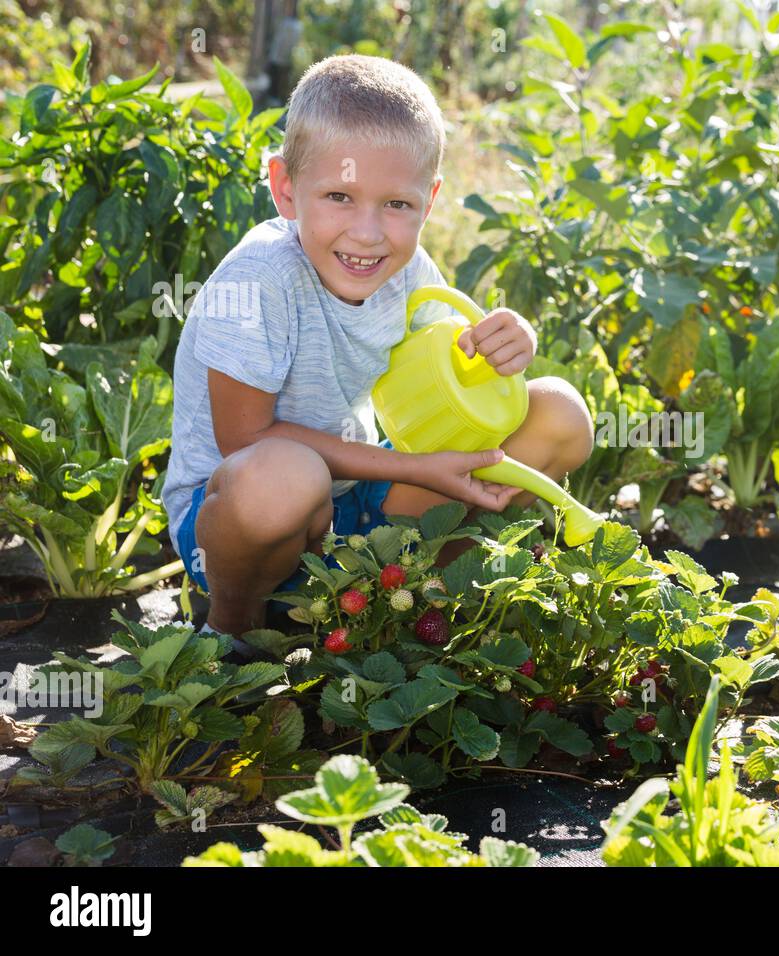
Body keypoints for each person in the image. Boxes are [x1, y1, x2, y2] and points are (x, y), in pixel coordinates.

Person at [162, 54, 594, 644]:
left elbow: (457, 368)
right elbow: (246, 440)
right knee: (283, 478)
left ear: (430, 199)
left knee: (559, 414)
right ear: (286, 189)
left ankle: (401, 606)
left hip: (359, 500)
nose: (367, 233)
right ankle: (232, 626)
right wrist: (417, 468)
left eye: (396, 204)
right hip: (242, 519)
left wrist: (507, 341)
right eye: (340, 196)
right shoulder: (257, 281)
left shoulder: (410, 269)